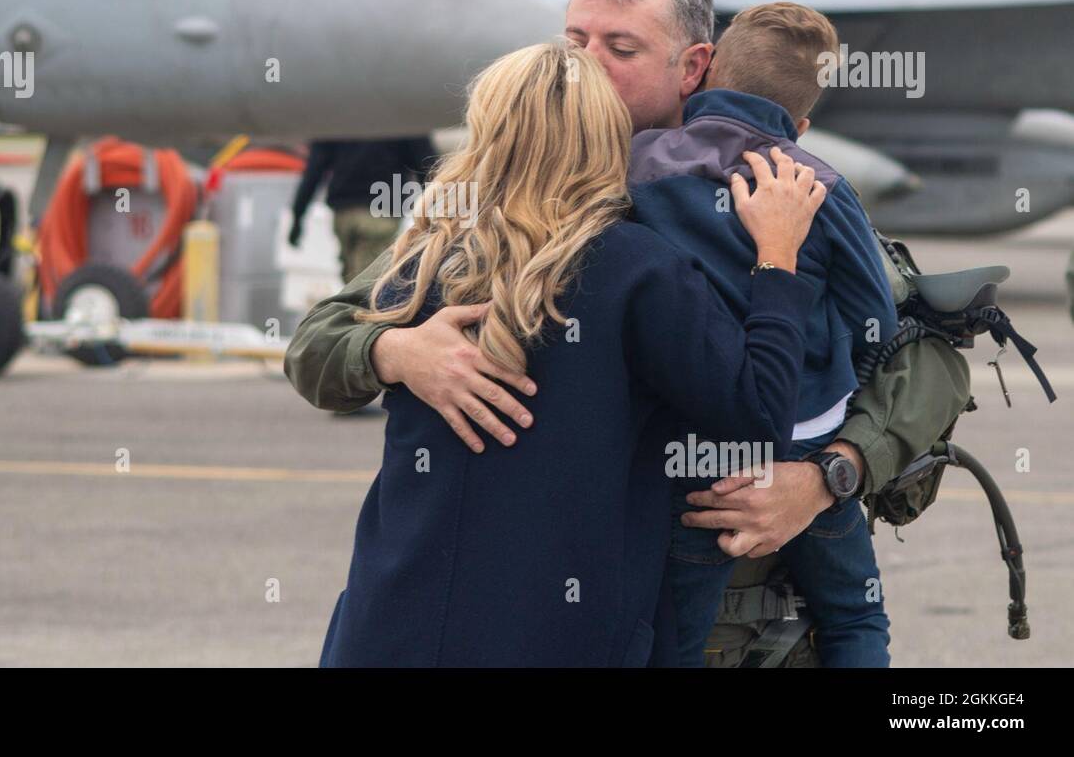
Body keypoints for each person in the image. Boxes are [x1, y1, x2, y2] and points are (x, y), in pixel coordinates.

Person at [317, 41, 825, 667]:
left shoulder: (423, 262)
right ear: (605, 136)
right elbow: (758, 417)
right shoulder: (638, 269)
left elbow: (317, 343)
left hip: (387, 626)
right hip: (558, 635)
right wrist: (777, 260)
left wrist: (387, 348)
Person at [629, 2, 896, 668]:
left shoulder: (637, 165)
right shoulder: (817, 181)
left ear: (705, 72)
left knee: (676, 642)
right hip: (808, 440)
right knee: (854, 613)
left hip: (697, 451)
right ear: (801, 124)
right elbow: (877, 318)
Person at [288, 137, 436, 283]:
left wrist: (298, 215)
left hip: (343, 212)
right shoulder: (401, 124)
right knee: (369, 284)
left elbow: (314, 169)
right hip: (381, 212)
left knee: (353, 279)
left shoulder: (334, 123)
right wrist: (436, 214)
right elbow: (427, 168)